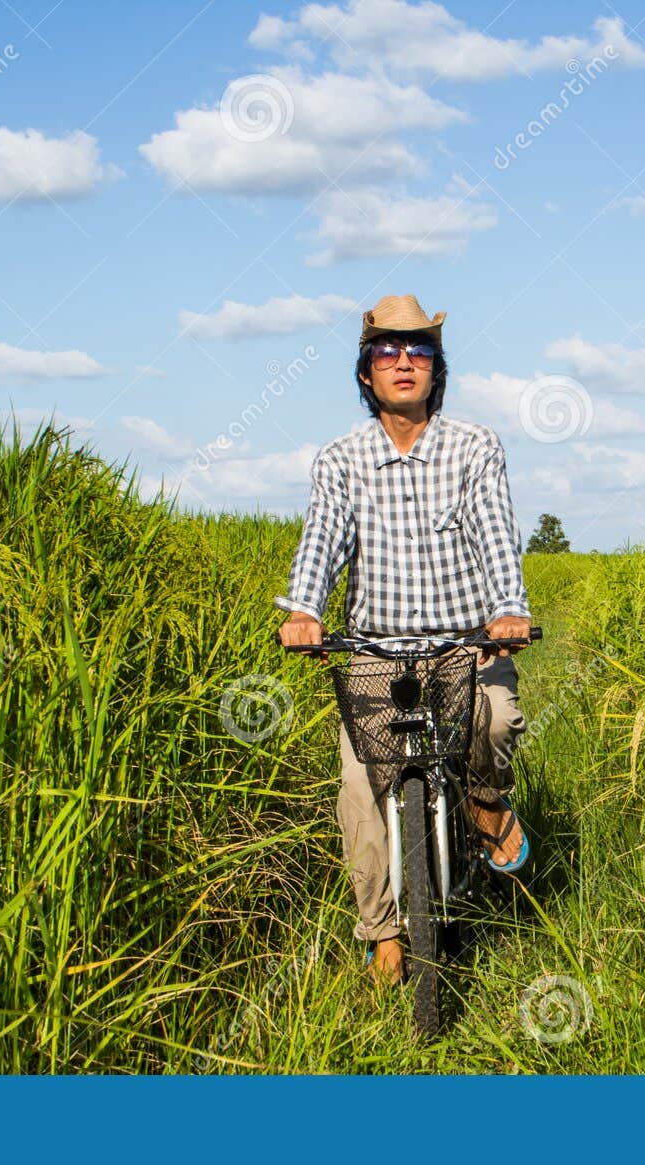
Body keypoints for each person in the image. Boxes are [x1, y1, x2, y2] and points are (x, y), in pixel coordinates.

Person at [275, 294, 534, 987]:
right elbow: (321, 545)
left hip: (463, 643)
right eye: (387, 350)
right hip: (374, 652)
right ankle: (383, 927)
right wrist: (305, 610)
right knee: (359, 783)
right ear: (366, 372)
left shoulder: (473, 447)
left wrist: (508, 612)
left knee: (497, 716)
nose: (403, 361)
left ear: (435, 367)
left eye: (418, 349)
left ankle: (485, 798)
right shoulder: (340, 460)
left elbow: (497, 539)